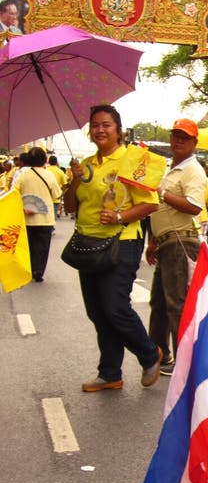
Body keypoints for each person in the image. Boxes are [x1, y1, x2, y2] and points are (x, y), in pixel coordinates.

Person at [63, 104, 161, 392]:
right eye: (95, 125)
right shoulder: (86, 164)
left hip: (122, 241)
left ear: (118, 130)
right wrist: (75, 180)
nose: (100, 130)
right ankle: (110, 374)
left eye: (106, 125)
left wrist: (120, 216)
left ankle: (149, 353)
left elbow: (151, 203)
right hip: (88, 244)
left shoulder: (133, 160)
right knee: (97, 311)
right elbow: (71, 207)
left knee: (115, 307)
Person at [146, 119, 206, 377]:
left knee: (176, 304)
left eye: (185, 137)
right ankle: (160, 353)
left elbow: (194, 206)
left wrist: (162, 193)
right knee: (159, 302)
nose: (178, 140)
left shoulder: (193, 170)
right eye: (175, 135)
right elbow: (162, 211)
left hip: (181, 242)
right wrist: (153, 240)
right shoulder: (170, 168)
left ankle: (184, 360)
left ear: (194, 142)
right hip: (166, 242)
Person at [13, 146, 61, 282]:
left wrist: (23, 207)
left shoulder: (22, 176)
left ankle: (28, 268)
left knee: (29, 245)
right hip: (45, 219)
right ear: (45, 160)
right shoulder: (49, 175)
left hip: (26, 219)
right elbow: (57, 194)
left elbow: (14, 194)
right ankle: (38, 271)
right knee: (42, 247)